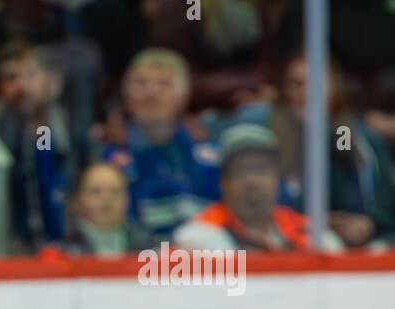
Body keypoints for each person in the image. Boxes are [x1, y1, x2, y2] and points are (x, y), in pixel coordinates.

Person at [234, 53, 395, 249]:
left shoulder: (359, 140)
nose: (306, 92)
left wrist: (371, 224)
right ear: (284, 90)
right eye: (297, 84)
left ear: (334, 88)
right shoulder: (266, 132)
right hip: (287, 244)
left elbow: (387, 205)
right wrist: (309, 222)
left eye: (315, 83)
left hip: (362, 249)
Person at [102, 48, 221, 238]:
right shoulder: (107, 159)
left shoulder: (212, 157)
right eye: (141, 84)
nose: (152, 93)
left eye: (164, 84)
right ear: (126, 95)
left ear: (184, 96)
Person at [173, 123, 344, 253]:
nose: (252, 180)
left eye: (261, 169)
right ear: (223, 182)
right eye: (241, 170)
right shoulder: (198, 235)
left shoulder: (310, 233)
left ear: (278, 179)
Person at [0, 42, 80, 252]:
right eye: (11, 78)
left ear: (54, 81)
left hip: (72, 250)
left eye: (29, 75)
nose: (21, 86)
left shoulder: (73, 129)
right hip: (12, 251)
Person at [52, 161, 157, 258]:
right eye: (95, 191)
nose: (107, 199)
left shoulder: (150, 250)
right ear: (79, 199)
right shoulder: (61, 253)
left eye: (115, 191)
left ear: (127, 199)